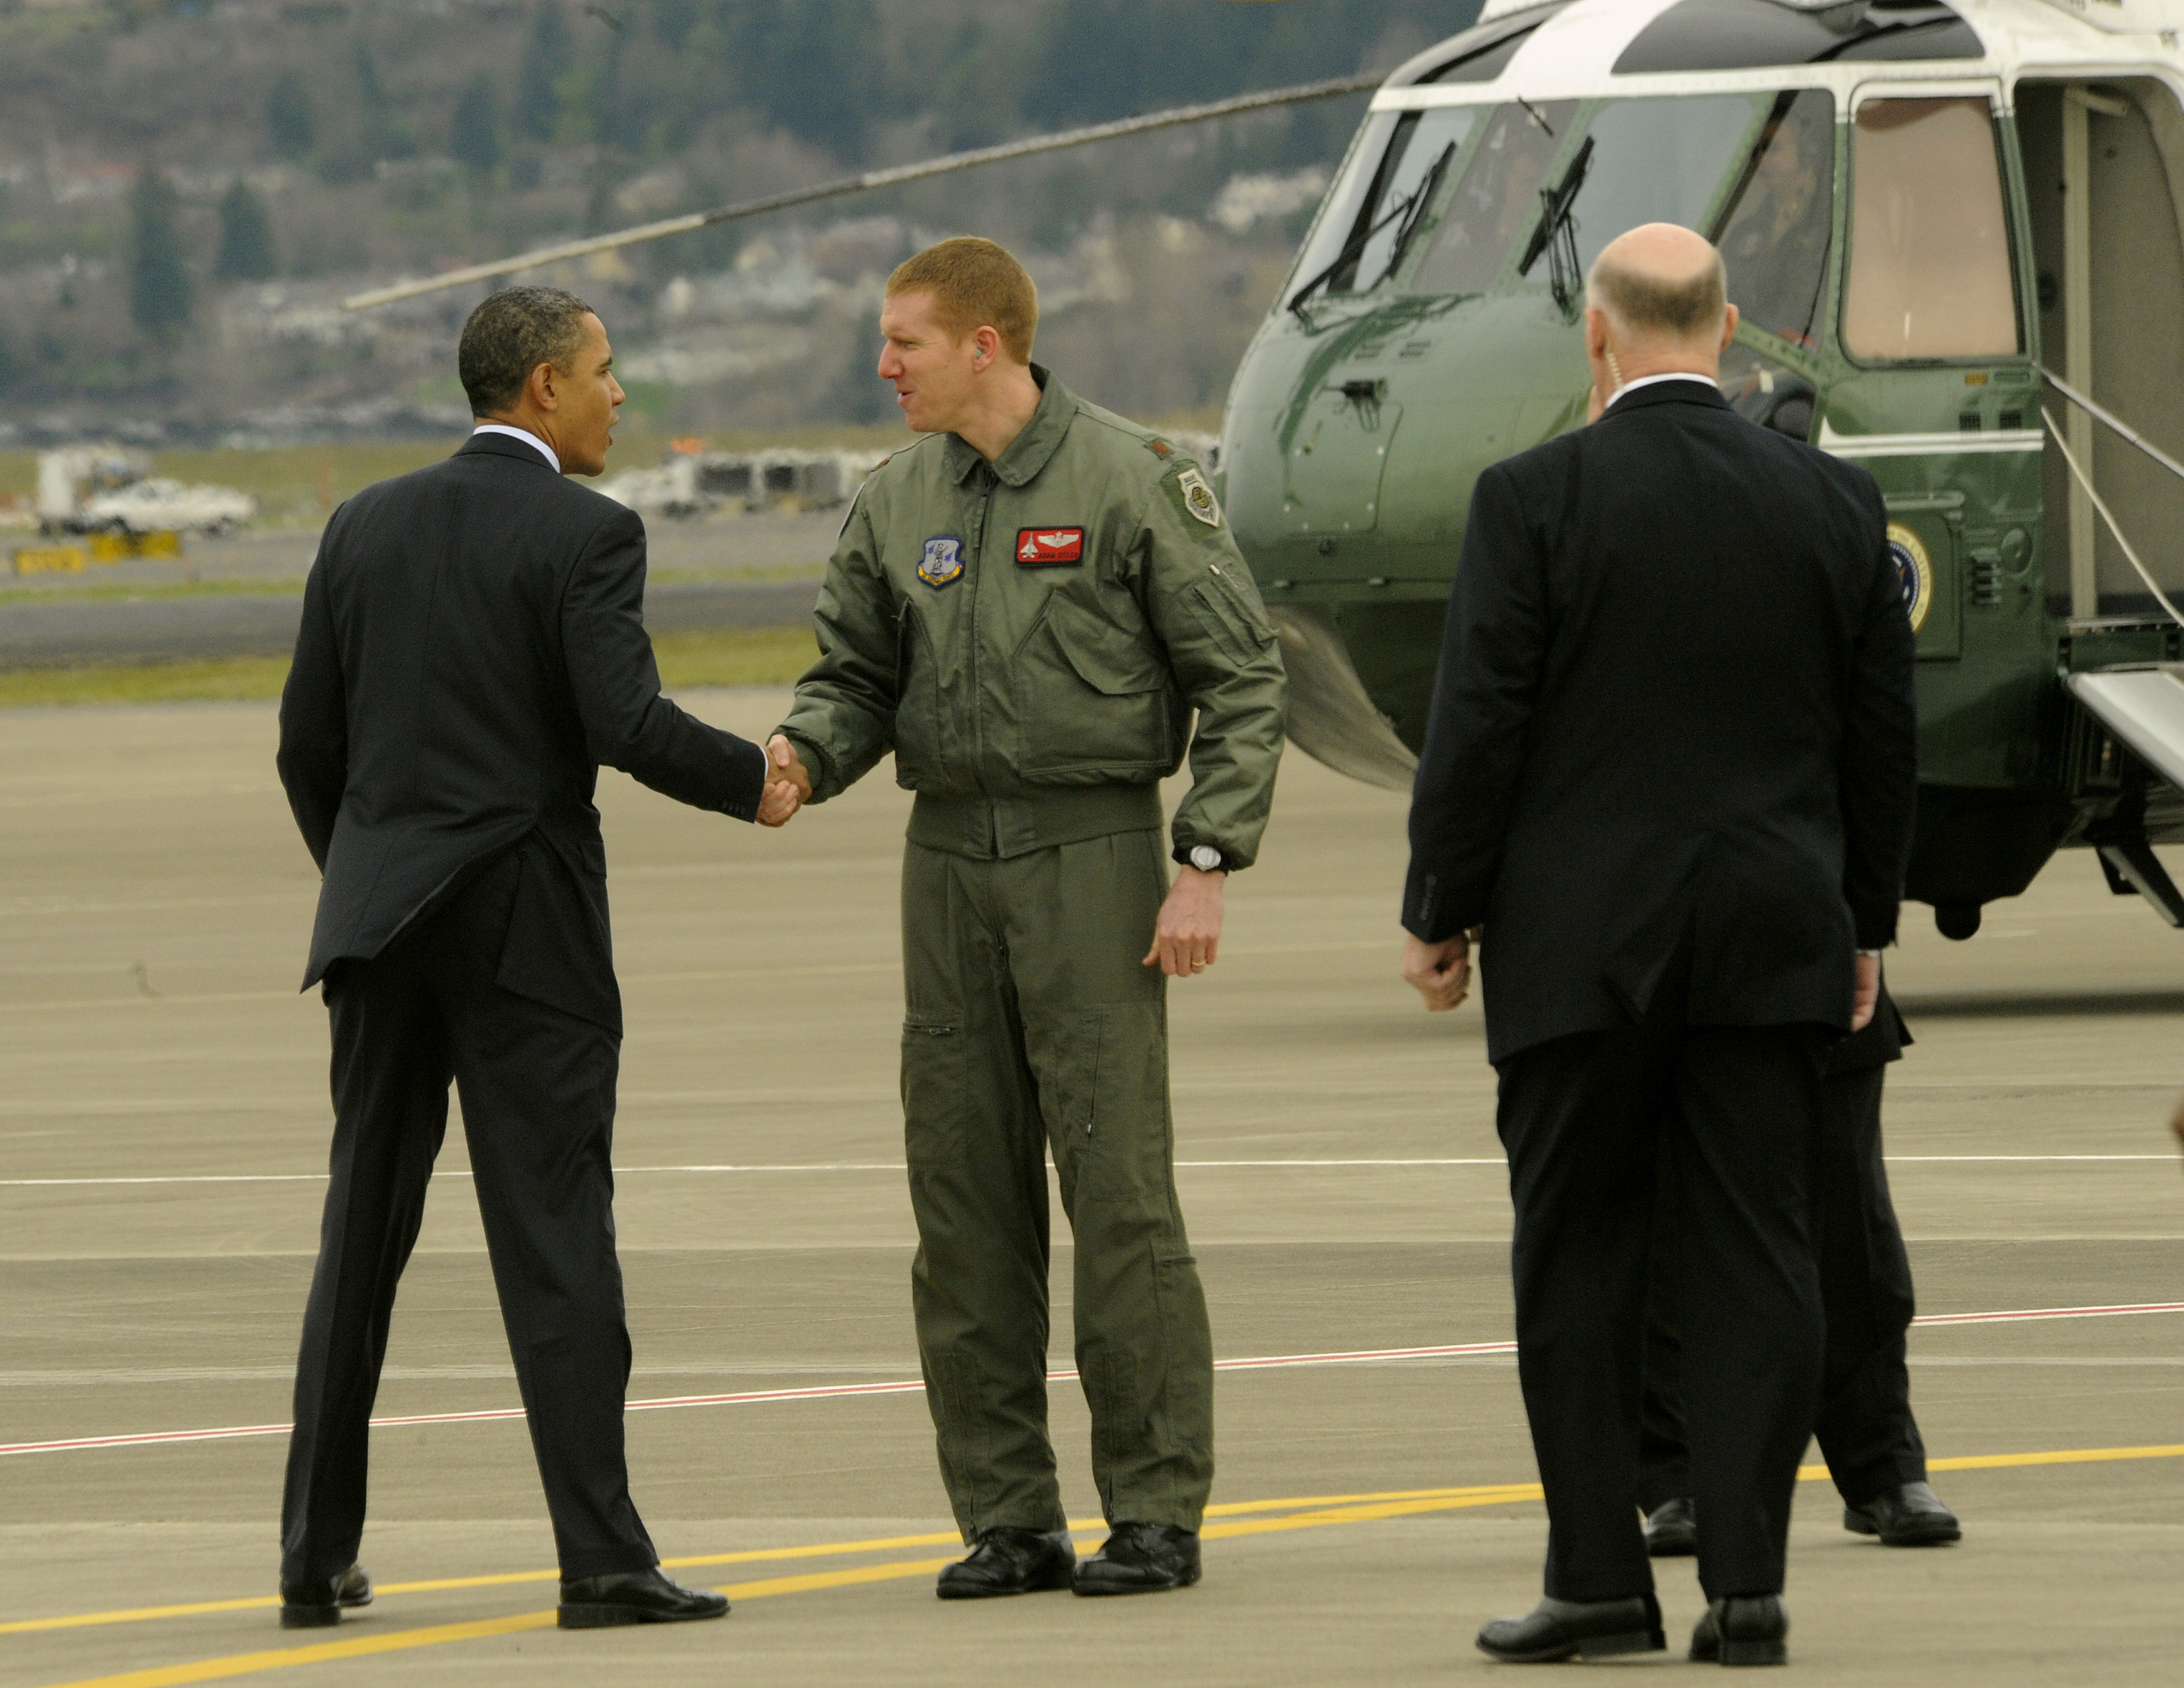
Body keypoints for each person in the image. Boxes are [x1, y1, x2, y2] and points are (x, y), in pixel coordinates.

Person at [1399, 224, 1917, 1667]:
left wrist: (1435, 906)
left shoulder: (1531, 498)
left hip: (1580, 952)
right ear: (1729, 325)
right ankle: (1744, 1589)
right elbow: (1880, 742)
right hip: (1766, 941)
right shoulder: (1829, 502)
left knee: (1575, 1261)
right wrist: (1861, 924)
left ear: (1595, 334)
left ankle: (1596, 1580)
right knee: (1761, 1257)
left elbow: (1478, 722)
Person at [765, 237, 1286, 1600]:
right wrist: (796, 759)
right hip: (945, 864)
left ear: (983, 344)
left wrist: (1206, 857)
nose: (882, 368)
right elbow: (852, 677)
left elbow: (1239, 679)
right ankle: (1008, 1516)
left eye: (905, 345)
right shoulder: (895, 502)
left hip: (1093, 852)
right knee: (961, 1196)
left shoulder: (1131, 478)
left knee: (1116, 1195)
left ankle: (1154, 1509)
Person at [274, 285, 799, 1631]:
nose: (622, 395)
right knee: (555, 1235)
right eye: (607, 372)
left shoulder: (363, 524)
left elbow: (306, 749)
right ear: (543, 389)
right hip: (523, 922)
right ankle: (604, 1560)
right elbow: (621, 722)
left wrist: (373, 862)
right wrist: (759, 781)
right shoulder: (586, 530)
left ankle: (312, 1556)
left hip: (379, 917)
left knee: (360, 1237)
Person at [1638, 981, 1962, 1558]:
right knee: (1657, 1228)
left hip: (1801, 944)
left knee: (1850, 1226)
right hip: (1635, 959)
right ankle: (1675, 1479)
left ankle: (1882, 1465)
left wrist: (1864, 925)